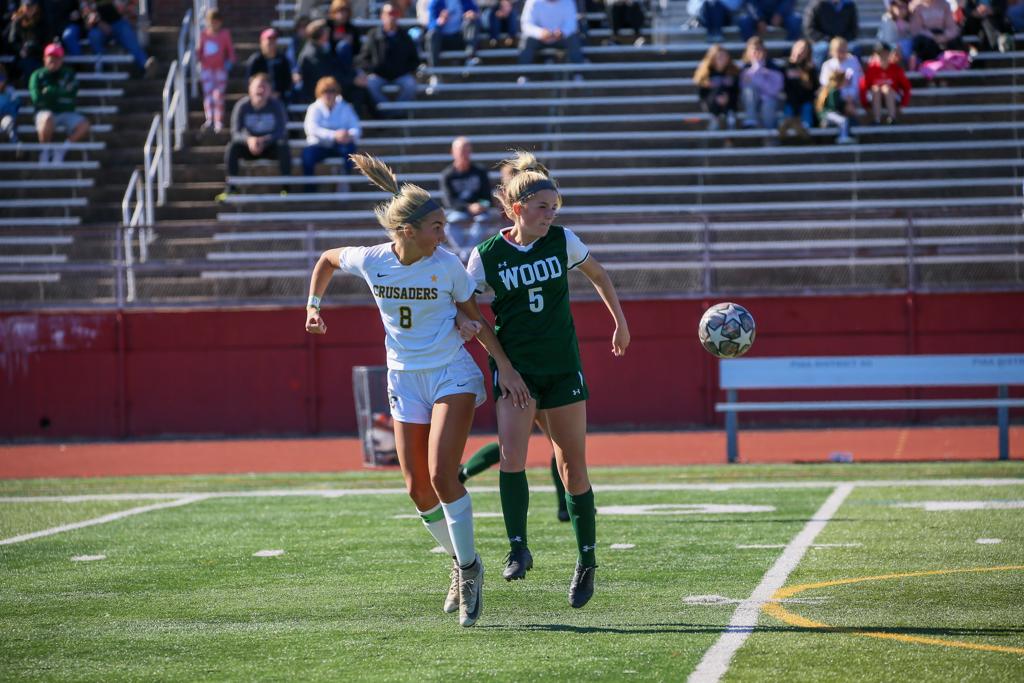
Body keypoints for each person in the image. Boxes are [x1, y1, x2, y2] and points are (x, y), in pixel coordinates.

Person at [304, 153, 530, 628]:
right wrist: (313, 306)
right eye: (435, 227)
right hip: (403, 378)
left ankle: (468, 573)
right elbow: (326, 259)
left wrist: (502, 364)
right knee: (416, 489)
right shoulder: (373, 260)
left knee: (443, 474)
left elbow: (476, 317)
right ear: (406, 231)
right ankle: (465, 563)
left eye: (444, 225)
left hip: (451, 373)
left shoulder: (447, 265)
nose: (443, 234)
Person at [465, 151, 631, 608]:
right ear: (517, 209)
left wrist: (620, 320)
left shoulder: (563, 240)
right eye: (543, 207)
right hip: (517, 374)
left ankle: (587, 560)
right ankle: (518, 547)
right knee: (512, 457)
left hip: (562, 370)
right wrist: (505, 366)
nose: (551, 214)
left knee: (572, 467)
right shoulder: (486, 256)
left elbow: (599, 275)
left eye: (555, 207)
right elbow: (468, 309)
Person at [219, 73, 291, 201]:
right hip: (248, 147)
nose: (260, 90)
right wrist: (249, 140)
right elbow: (235, 132)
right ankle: (231, 188)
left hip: (269, 146)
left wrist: (265, 140)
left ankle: (286, 188)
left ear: (270, 90)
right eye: (258, 86)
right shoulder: (242, 106)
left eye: (264, 87)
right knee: (232, 147)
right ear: (250, 89)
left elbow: (281, 131)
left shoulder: (277, 106)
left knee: (283, 146)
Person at [29, 42, 90, 163]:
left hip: (65, 112)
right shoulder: (37, 75)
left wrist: (49, 92)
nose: (54, 60)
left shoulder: (68, 73)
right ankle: (44, 151)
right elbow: (36, 98)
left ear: (62, 59)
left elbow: (71, 94)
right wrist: (60, 93)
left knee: (84, 125)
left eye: (57, 58)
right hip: (45, 113)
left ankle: (62, 150)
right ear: (45, 58)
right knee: (47, 117)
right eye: (51, 57)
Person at [302, 76, 360, 192]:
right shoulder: (314, 108)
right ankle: (310, 190)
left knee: (350, 149)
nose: (328, 94)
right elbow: (311, 129)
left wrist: (348, 135)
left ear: (336, 92)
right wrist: (334, 135)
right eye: (325, 91)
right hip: (319, 146)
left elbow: (356, 128)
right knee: (307, 156)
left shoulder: (345, 107)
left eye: (332, 91)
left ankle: (345, 180)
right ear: (319, 93)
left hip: (341, 145)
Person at [440, 136, 494, 262]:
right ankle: (467, 256)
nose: (464, 154)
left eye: (467, 150)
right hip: (458, 212)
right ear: (453, 152)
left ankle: (464, 257)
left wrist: (481, 205)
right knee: (450, 224)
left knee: (483, 220)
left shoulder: (480, 172)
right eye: (461, 150)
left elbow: (487, 198)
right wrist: (468, 207)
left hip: (480, 211)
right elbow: (449, 201)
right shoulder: (447, 175)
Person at [356, 3, 421, 107]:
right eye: (389, 13)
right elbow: (364, 58)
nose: (391, 17)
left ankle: (397, 111)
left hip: (400, 75)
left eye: (394, 13)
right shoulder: (373, 35)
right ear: (382, 16)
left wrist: (404, 70)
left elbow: (414, 60)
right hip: (379, 75)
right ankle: (385, 111)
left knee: (410, 84)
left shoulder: (405, 36)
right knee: (371, 83)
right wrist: (373, 69)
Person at [69, 0, 155, 76]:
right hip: (98, 27)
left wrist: (127, 12)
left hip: (118, 23)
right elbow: (86, 13)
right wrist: (100, 23)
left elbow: (128, 7)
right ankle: (104, 66)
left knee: (127, 32)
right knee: (94, 35)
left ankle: (145, 64)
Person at [196, 8, 234, 133]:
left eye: (216, 21)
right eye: (211, 21)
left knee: (218, 95)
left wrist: (230, 62)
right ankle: (209, 119)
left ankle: (218, 120)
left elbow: (230, 52)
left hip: (220, 69)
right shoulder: (203, 35)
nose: (214, 24)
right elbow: (199, 52)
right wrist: (199, 62)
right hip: (207, 69)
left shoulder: (225, 34)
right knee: (208, 95)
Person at [425, 0, 480, 78]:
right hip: (442, 40)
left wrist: (472, 15)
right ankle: (435, 73)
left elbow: (477, 15)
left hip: (460, 38)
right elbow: (430, 25)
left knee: (471, 23)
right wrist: (440, 21)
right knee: (432, 35)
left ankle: (470, 58)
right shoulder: (435, 2)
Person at [859, 41, 910, 125]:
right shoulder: (871, 69)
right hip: (875, 98)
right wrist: (866, 106)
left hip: (893, 98)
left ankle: (892, 118)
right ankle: (877, 119)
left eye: (885, 53)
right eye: (880, 54)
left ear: (890, 54)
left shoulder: (896, 69)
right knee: (876, 88)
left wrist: (903, 104)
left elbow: (906, 87)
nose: (883, 56)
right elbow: (863, 88)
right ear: (875, 55)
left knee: (886, 88)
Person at [693, 43, 740, 131]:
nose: (721, 59)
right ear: (712, 58)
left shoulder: (733, 71)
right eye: (718, 57)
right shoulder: (706, 73)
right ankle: (716, 118)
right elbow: (701, 94)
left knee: (724, 88)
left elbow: (737, 91)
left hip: (730, 102)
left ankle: (729, 123)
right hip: (711, 103)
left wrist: (727, 97)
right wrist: (708, 86)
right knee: (718, 88)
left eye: (724, 56)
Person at [740, 36, 784, 130]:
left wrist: (759, 70)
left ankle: (770, 138)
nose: (756, 53)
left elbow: (774, 90)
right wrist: (755, 70)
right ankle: (751, 119)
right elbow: (743, 88)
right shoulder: (745, 68)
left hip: (769, 99)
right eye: (753, 50)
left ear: (764, 51)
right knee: (749, 90)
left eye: (759, 49)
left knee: (768, 105)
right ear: (748, 52)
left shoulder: (773, 67)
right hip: (751, 101)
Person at [4, 0, 47, 85]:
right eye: (27, 6)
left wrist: (35, 47)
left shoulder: (43, 21)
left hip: (39, 55)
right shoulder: (17, 21)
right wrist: (21, 49)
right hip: (22, 57)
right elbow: (12, 41)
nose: (30, 8)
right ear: (22, 7)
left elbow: (46, 40)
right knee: (27, 63)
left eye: (32, 6)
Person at [247, 28, 295, 103]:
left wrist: (279, 93)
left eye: (274, 40)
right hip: (260, 98)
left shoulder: (283, 60)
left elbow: (287, 81)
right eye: (269, 40)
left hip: (279, 98)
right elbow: (249, 81)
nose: (271, 43)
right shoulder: (256, 60)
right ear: (262, 42)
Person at [803, 0, 859, 65]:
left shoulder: (849, 5)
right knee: (822, 49)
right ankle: (818, 73)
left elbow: (854, 28)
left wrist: (841, 41)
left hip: (844, 40)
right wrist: (829, 40)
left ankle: (852, 74)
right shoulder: (816, 4)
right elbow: (809, 28)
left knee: (854, 48)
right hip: (823, 40)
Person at [782, 38, 818, 131]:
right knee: (787, 116)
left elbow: (813, 88)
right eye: (799, 47)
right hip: (790, 101)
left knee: (807, 109)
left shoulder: (810, 68)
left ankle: (805, 134)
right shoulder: (785, 66)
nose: (801, 51)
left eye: (804, 49)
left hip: (806, 101)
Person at [819, 36, 862, 105]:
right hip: (833, 97)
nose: (840, 53)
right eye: (837, 50)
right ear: (831, 51)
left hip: (851, 96)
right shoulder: (827, 64)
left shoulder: (853, 61)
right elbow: (824, 82)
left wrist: (848, 96)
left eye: (842, 50)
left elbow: (856, 82)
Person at [816, 68, 855, 143]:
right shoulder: (834, 90)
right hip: (827, 114)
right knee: (843, 120)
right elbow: (833, 107)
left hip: (828, 114)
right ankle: (843, 137)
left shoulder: (832, 89)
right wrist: (845, 105)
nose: (845, 81)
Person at [737, 0, 802, 41]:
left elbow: (788, 1)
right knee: (744, 21)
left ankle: (789, 53)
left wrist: (780, 14)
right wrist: (759, 19)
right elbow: (750, 3)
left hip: (781, 15)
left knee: (795, 20)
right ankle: (751, 51)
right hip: (758, 16)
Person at [877, 0, 914, 67]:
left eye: (903, 7)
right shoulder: (887, 19)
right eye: (897, 6)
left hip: (907, 51)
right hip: (891, 49)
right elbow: (887, 40)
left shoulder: (912, 19)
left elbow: (913, 37)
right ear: (892, 7)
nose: (900, 10)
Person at [326, 0, 362, 68]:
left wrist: (351, 43)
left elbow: (358, 50)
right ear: (333, 12)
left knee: (343, 46)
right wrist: (332, 38)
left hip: (346, 63)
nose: (342, 14)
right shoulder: (327, 26)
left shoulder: (352, 29)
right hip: (329, 60)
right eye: (339, 11)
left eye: (345, 11)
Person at [0, 64, 20, 143]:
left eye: (1, 78)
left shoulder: (10, 91)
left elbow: (15, 106)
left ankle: (15, 145)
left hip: (5, 118)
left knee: (9, 121)